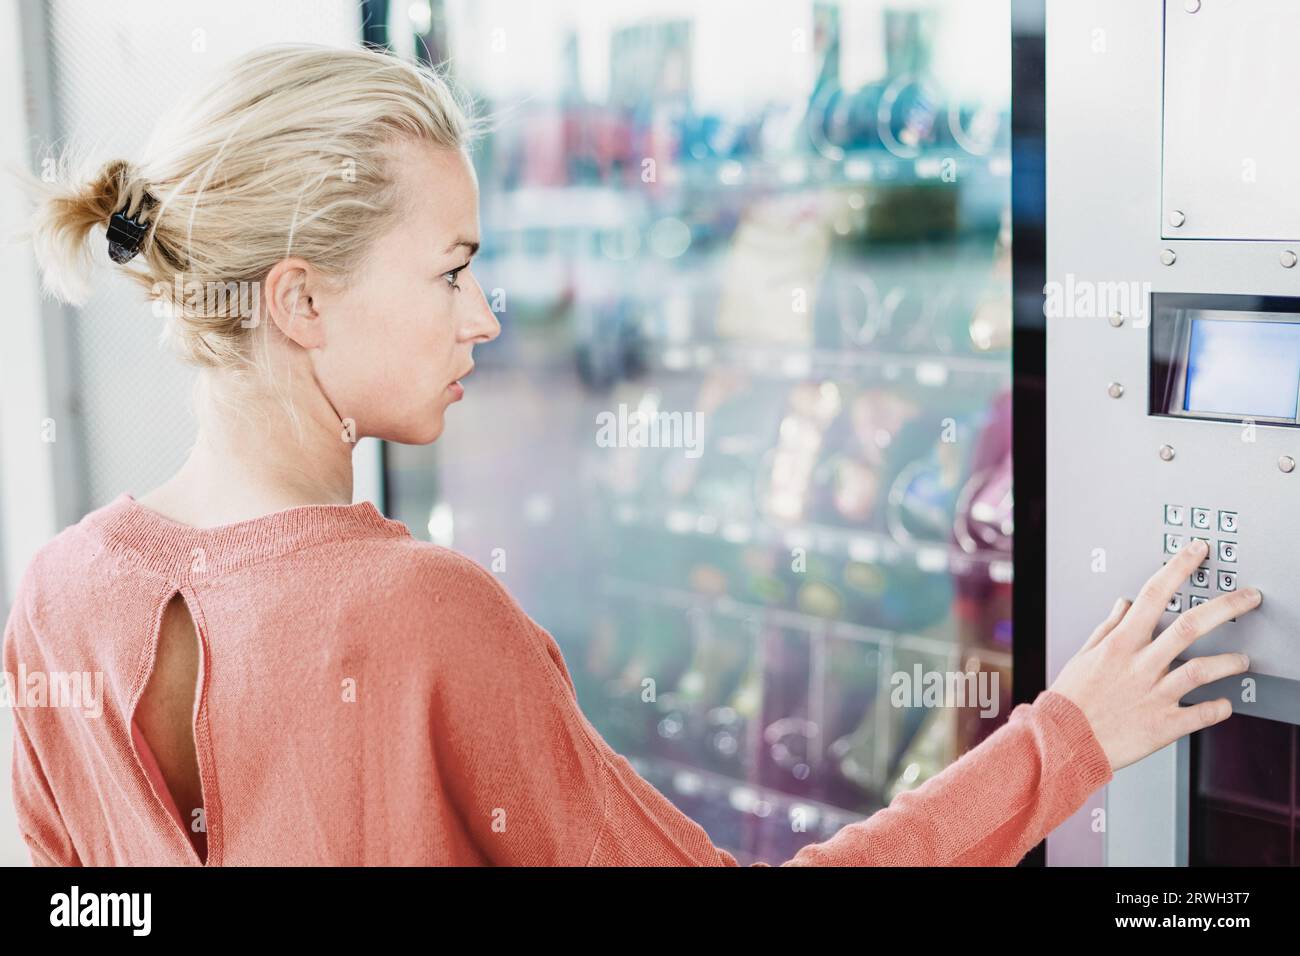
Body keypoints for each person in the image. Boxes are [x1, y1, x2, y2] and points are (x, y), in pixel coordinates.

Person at [4, 43, 1261, 867]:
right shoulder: (414, 613)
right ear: (300, 302)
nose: (487, 313)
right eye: (451, 269)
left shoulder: (61, 591)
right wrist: (1071, 734)